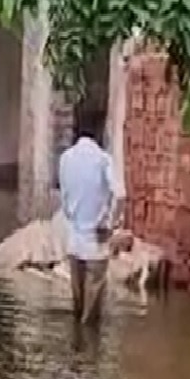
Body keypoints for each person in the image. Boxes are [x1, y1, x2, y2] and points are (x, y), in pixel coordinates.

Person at [57, 107, 123, 327]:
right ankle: (87, 346)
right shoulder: (103, 160)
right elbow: (121, 195)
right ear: (99, 129)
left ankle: (75, 343)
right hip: (96, 239)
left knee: (77, 308)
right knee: (91, 315)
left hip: (74, 239)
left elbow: (65, 199)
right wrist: (111, 224)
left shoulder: (65, 158)